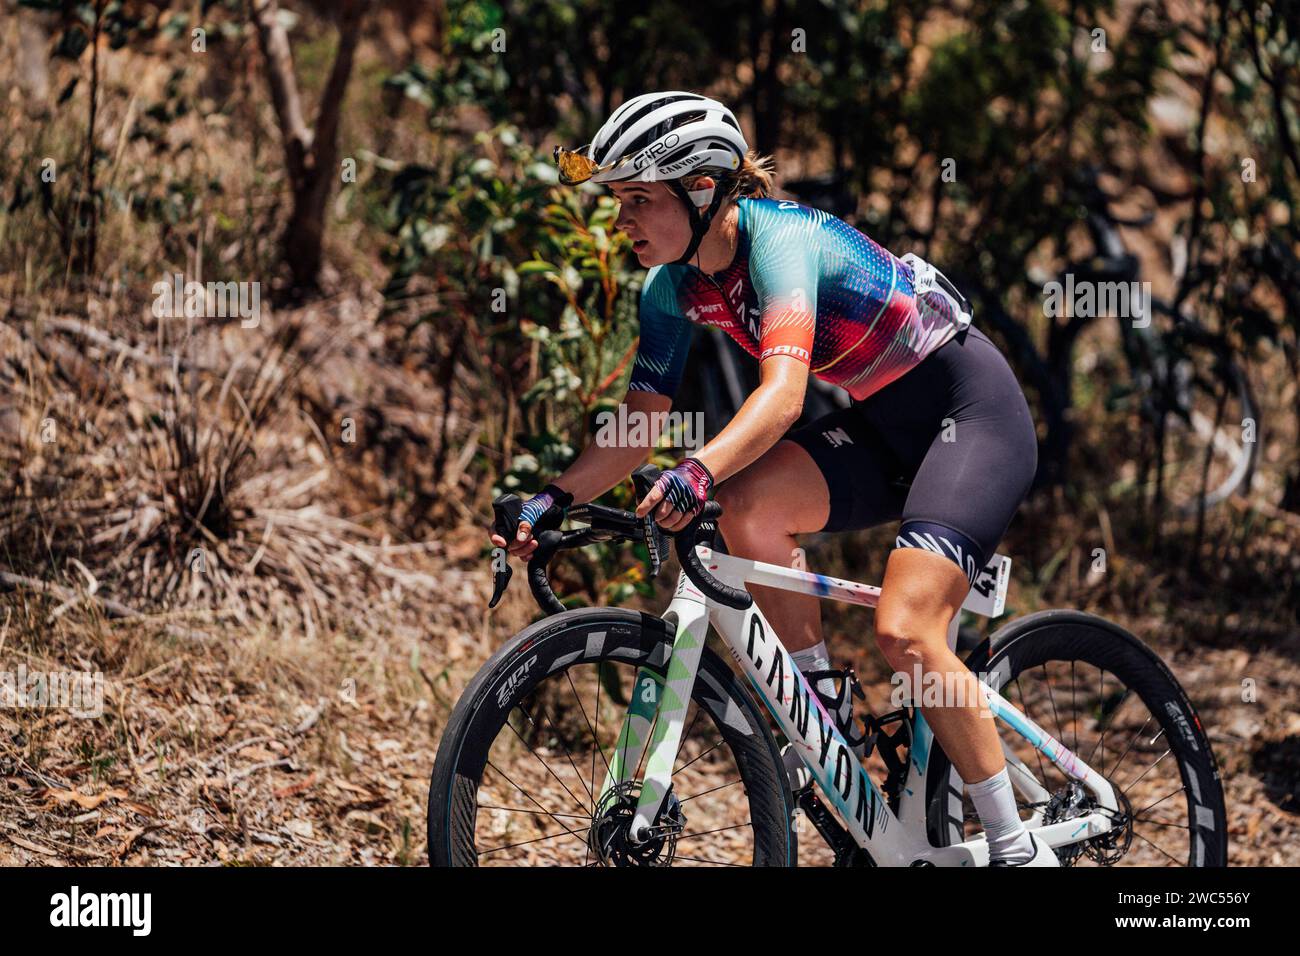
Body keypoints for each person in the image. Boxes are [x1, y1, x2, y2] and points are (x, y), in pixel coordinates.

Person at [490, 91, 1051, 866]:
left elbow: (783, 399)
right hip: (883, 428)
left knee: (906, 629)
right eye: (618, 201)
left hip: (972, 415)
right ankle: (830, 717)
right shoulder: (670, 288)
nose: (621, 222)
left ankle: (1017, 849)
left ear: (701, 189)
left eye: (637, 200)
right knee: (747, 506)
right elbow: (638, 426)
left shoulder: (781, 241)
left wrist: (695, 469)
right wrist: (552, 498)